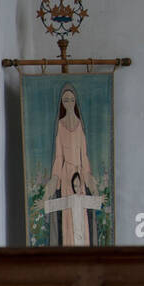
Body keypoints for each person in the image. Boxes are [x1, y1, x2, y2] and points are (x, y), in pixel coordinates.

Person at [41, 85, 102, 246]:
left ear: (75, 102)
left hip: (79, 175)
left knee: (81, 212)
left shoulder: (80, 125)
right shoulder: (60, 125)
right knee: (67, 214)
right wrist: (53, 182)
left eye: (71, 99)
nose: (69, 102)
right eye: (65, 100)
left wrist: (91, 184)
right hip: (66, 174)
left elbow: (84, 156)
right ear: (62, 102)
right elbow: (58, 157)